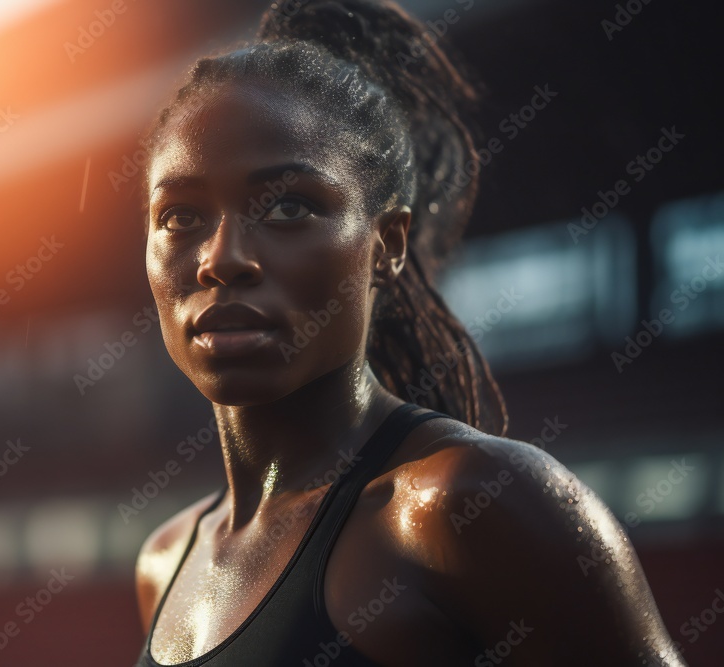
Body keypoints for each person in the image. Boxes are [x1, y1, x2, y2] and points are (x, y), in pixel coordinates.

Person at [131, 1, 684, 664]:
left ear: (387, 245)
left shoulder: (470, 507)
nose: (221, 257)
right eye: (181, 216)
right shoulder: (164, 562)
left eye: (288, 205)